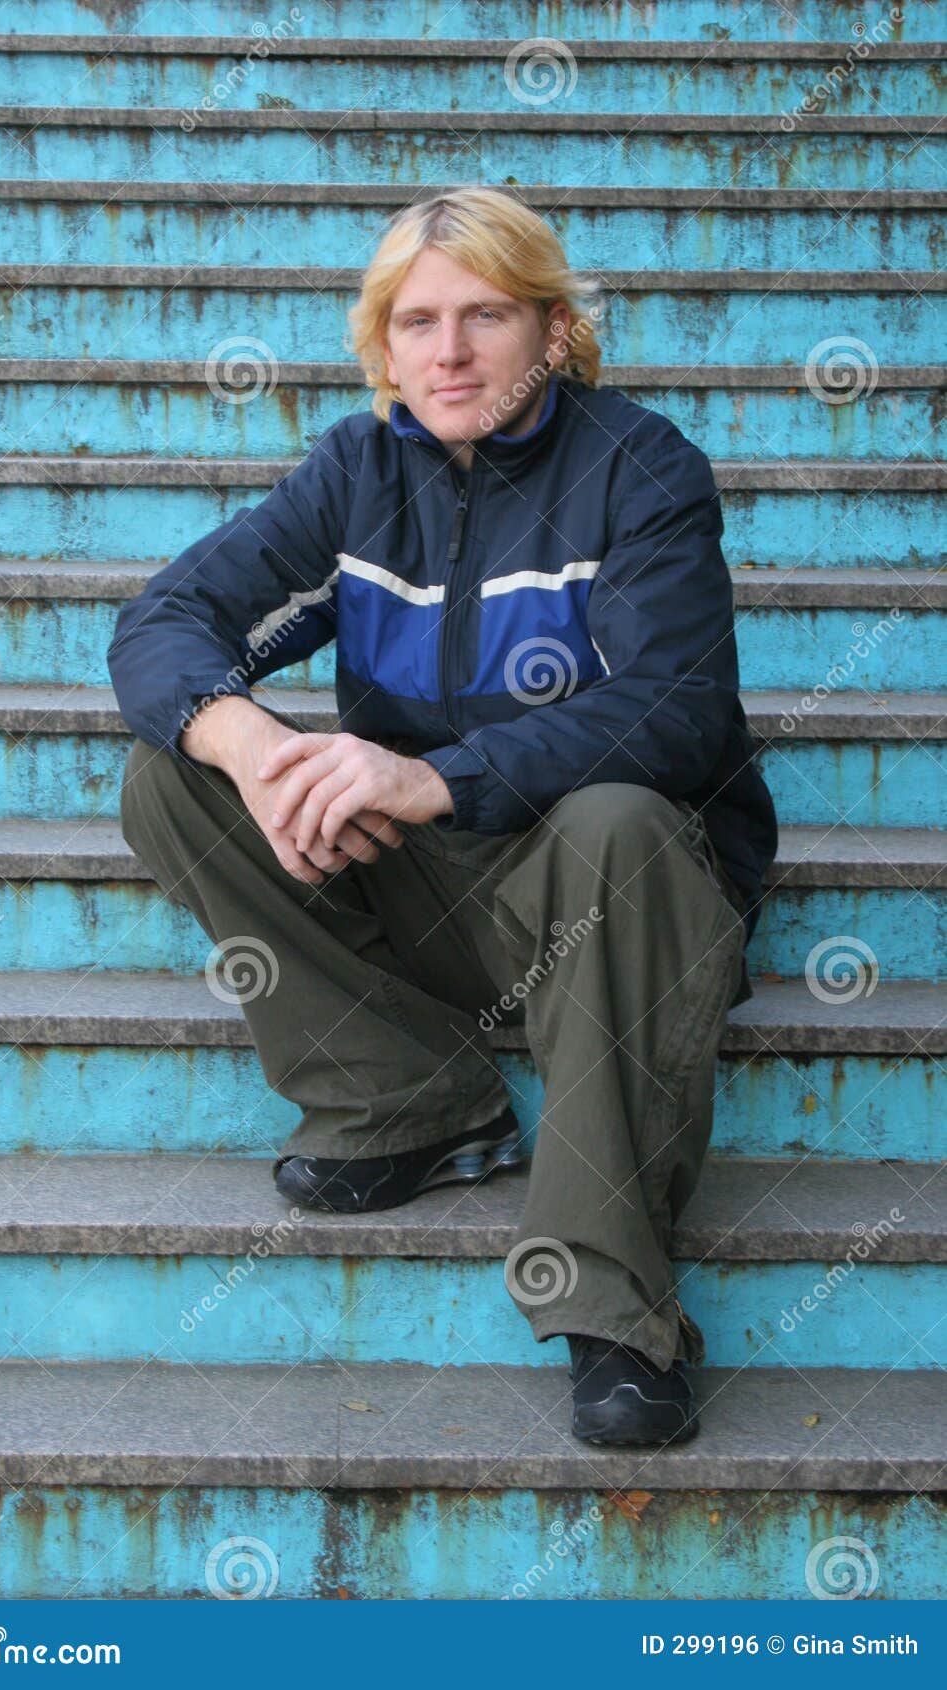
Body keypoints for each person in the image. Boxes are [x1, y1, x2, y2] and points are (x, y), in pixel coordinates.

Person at [108, 187, 778, 1447]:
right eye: (417, 322)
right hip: (431, 887)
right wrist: (252, 742)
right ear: (383, 346)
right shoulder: (357, 470)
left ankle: (613, 1306)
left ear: (555, 333)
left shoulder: (642, 468)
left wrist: (441, 777)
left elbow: (677, 708)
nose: (450, 353)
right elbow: (164, 624)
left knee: (618, 818)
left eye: (487, 316)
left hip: (609, 902)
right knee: (173, 772)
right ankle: (410, 1098)